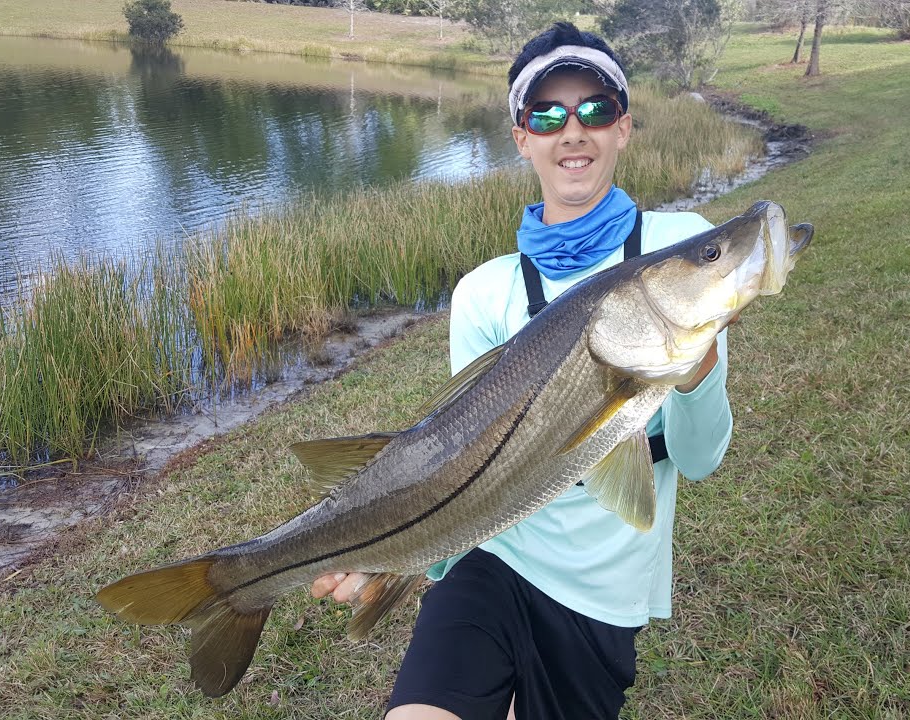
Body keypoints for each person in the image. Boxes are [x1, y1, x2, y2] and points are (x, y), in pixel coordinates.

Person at [312, 21, 734, 720]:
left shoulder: (680, 250)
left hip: (603, 595)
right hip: (493, 565)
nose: (574, 131)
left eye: (595, 109)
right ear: (522, 136)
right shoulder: (484, 292)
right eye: (548, 114)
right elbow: (455, 460)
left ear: (623, 128)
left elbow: (698, 456)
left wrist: (696, 369)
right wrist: (388, 546)